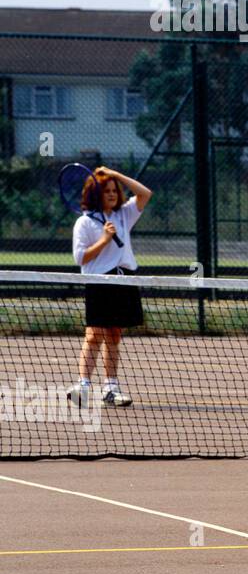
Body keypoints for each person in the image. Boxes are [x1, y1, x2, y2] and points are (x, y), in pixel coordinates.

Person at [68, 166, 153, 409]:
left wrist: (115, 174)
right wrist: (104, 240)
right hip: (98, 282)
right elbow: (80, 258)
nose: (113, 194)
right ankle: (83, 386)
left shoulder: (124, 215)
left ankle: (111, 387)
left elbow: (146, 193)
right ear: (95, 193)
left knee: (114, 334)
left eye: (115, 190)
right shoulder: (84, 223)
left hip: (123, 279)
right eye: (107, 190)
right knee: (94, 334)